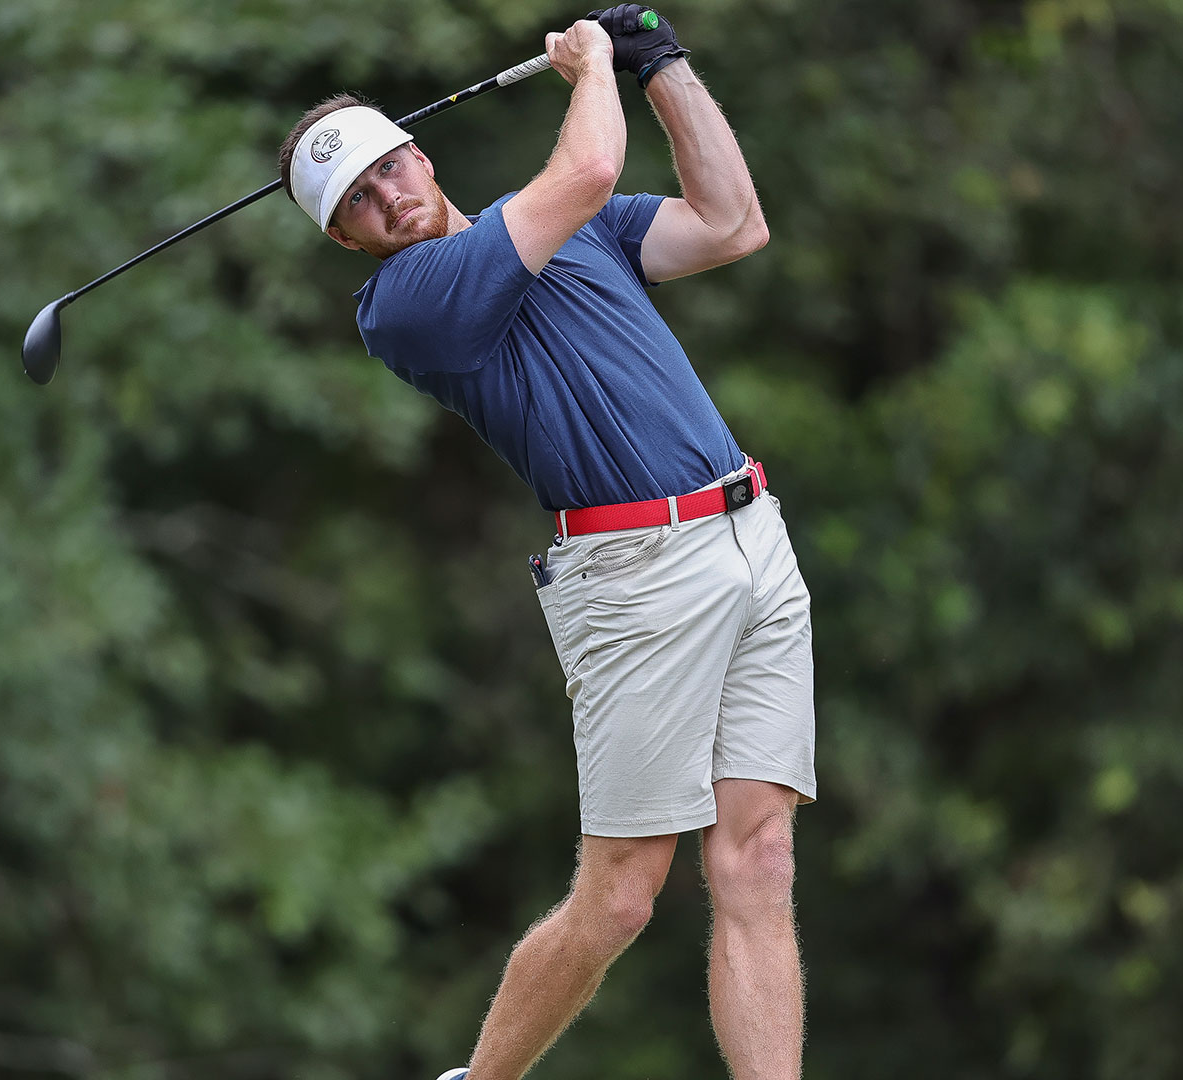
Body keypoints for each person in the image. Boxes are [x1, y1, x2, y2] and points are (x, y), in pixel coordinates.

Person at [277, 8, 815, 1079]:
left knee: (758, 863)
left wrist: (662, 67)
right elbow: (587, 163)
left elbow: (732, 222)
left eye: (389, 167)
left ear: (419, 152)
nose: (387, 196)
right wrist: (587, 67)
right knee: (620, 897)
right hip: (634, 580)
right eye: (359, 203)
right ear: (344, 238)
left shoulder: (590, 228)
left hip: (751, 538)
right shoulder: (406, 303)